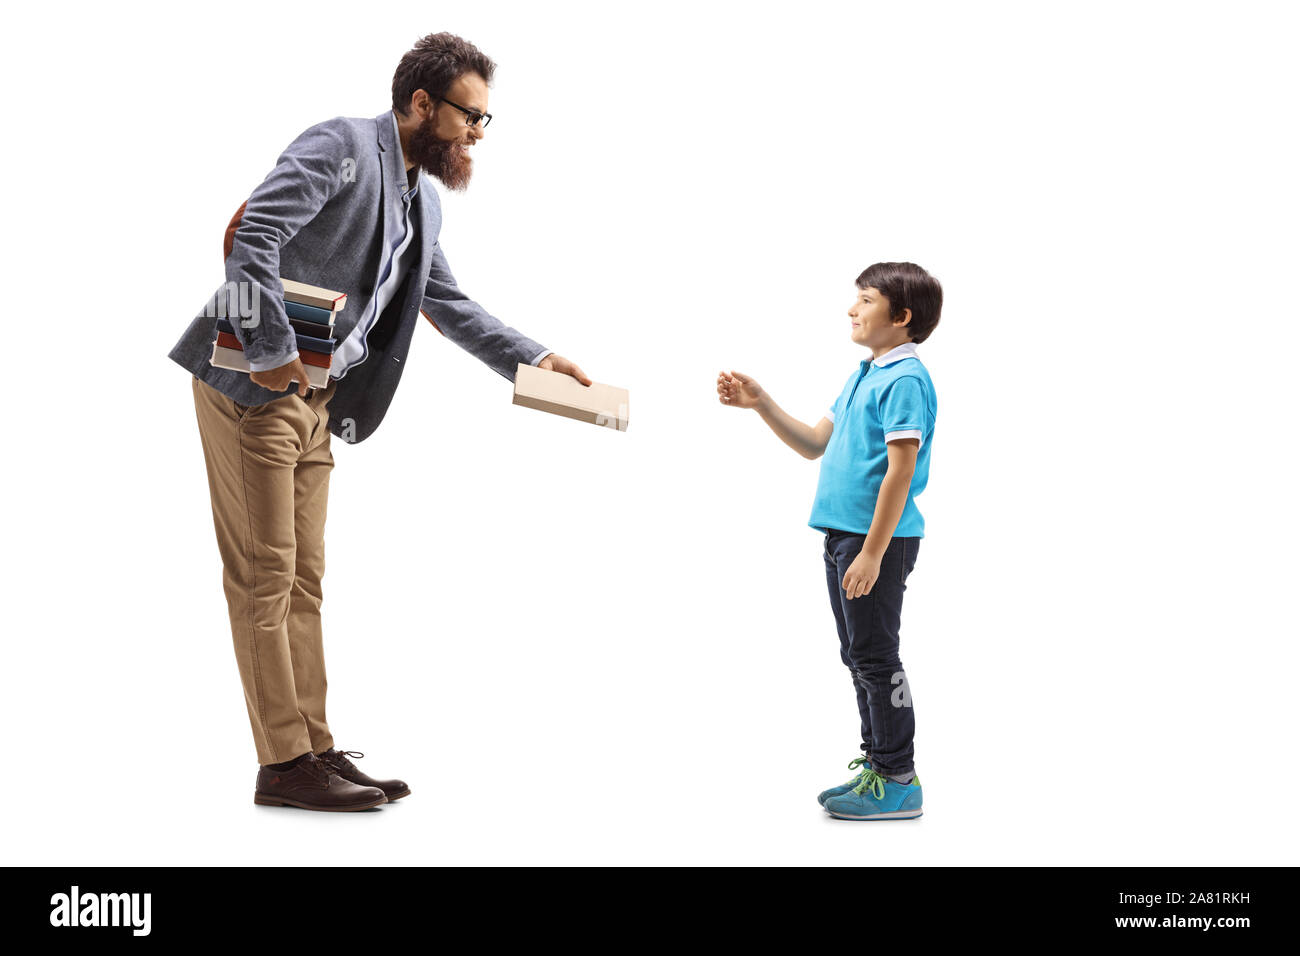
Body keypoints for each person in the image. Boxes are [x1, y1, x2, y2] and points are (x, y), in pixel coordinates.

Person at [168, 32, 591, 812]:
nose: (476, 134)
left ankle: (314, 748)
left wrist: (537, 360)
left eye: (485, 121)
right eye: (470, 116)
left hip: (321, 400)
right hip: (255, 386)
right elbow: (255, 233)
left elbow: (447, 304)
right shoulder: (341, 145)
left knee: (304, 579)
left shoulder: (421, 196)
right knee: (265, 577)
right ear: (422, 103)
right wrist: (267, 353)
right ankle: (282, 763)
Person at [716, 261, 941, 820]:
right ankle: (879, 767)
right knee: (859, 655)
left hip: (875, 542)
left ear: (902, 317)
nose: (852, 309)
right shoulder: (865, 372)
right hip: (846, 537)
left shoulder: (906, 379)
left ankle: (899, 778)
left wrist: (872, 551)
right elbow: (816, 443)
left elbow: (900, 472)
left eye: (865, 300)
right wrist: (761, 402)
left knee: (876, 656)